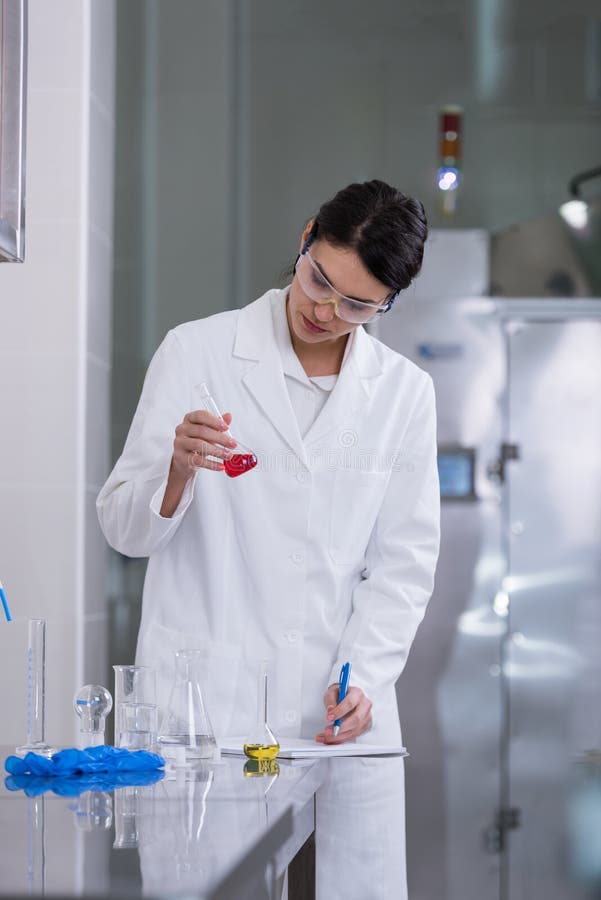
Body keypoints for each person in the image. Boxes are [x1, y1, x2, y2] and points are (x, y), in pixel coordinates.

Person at [97, 179, 440, 746]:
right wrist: (176, 475)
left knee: (334, 835)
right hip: (209, 709)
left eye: (356, 305)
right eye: (318, 280)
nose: (325, 311)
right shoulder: (196, 352)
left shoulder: (405, 393)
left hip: (332, 714)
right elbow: (123, 531)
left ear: (387, 304)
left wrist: (366, 679)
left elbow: (404, 563)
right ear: (306, 239)